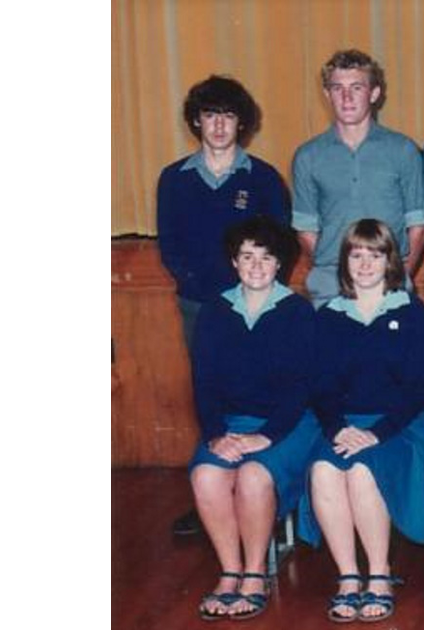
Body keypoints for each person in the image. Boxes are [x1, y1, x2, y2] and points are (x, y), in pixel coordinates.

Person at [157, 74, 291, 536]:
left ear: (242, 123)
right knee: (211, 391)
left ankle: (265, 492)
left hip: (258, 306)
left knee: (266, 389)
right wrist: (209, 297)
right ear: (196, 120)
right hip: (202, 307)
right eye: (210, 115)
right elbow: (170, 246)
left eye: (228, 115)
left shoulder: (264, 178)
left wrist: (253, 297)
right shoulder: (174, 179)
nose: (218, 125)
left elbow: (280, 245)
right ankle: (212, 494)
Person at [301, 219, 424, 623]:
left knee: (361, 471)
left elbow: (418, 389)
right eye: (356, 255)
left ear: (389, 260)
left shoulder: (411, 313)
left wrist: (376, 434)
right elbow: (319, 385)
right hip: (342, 424)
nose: (364, 264)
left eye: (374, 254)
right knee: (324, 468)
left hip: (398, 425)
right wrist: (338, 428)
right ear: (344, 262)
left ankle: (379, 576)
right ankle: (348, 578)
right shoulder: (329, 317)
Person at [188, 215, 317, 620]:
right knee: (206, 474)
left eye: (265, 257)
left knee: (253, 476)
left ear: (280, 263)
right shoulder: (214, 312)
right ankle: (230, 571)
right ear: (234, 262)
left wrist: (266, 437)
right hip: (231, 424)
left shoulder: (298, 312)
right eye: (247, 257)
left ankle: (256, 572)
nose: (256, 266)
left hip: (289, 424)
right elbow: (203, 382)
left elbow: (303, 387)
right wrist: (215, 435)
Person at [293, 49, 424, 306]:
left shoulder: (403, 150)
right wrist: (339, 273)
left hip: (390, 283)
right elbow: (306, 228)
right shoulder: (307, 156)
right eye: (337, 88)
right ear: (327, 94)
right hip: (330, 287)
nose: (346, 97)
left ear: (374, 93)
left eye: (356, 87)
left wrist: (399, 274)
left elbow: (418, 225)